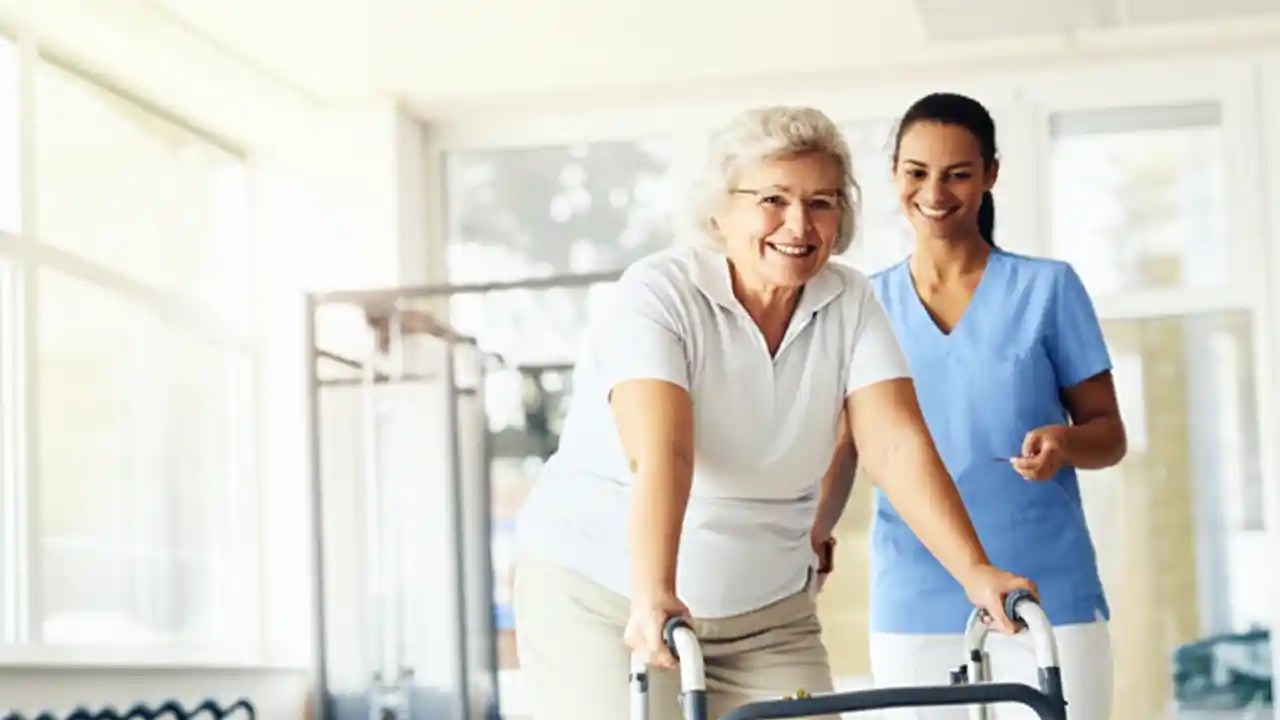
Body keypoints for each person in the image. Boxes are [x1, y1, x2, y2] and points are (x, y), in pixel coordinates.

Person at [512, 104, 1036, 720]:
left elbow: (894, 445)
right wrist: (652, 589)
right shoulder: (660, 294)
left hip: (768, 616)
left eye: (822, 202)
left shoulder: (848, 300)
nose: (800, 224)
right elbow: (663, 453)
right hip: (604, 598)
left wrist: (974, 572)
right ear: (720, 210)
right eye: (774, 200)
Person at [866, 92, 1128, 720]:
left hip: (1048, 596)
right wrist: (811, 533)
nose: (935, 191)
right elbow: (850, 445)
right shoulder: (865, 305)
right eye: (916, 172)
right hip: (915, 598)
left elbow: (1110, 434)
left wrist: (1065, 443)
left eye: (958, 173)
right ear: (895, 174)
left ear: (990, 175)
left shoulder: (1047, 288)